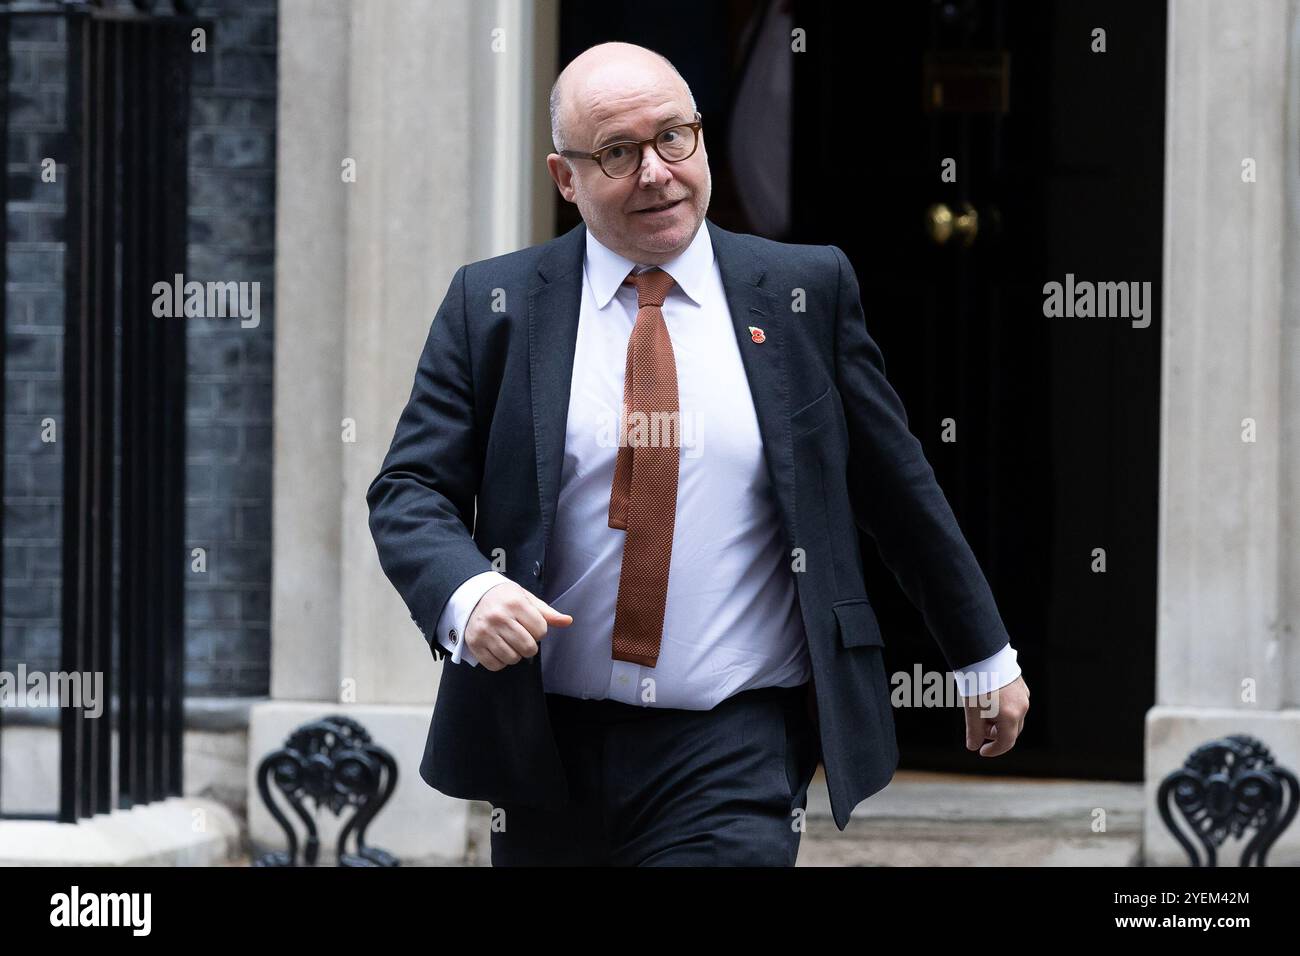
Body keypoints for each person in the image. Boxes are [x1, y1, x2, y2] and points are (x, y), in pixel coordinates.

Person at [366, 41, 1030, 866]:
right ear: (565, 178)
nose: (656, 172)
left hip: (736, 743)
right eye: (617, 152)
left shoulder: (802, 294)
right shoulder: (493, 306)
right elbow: (409, 488)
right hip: (545, 748)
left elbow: (893, 486)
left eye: (673, 138)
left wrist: (982, 652)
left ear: (702, 140)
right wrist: (465, 592)